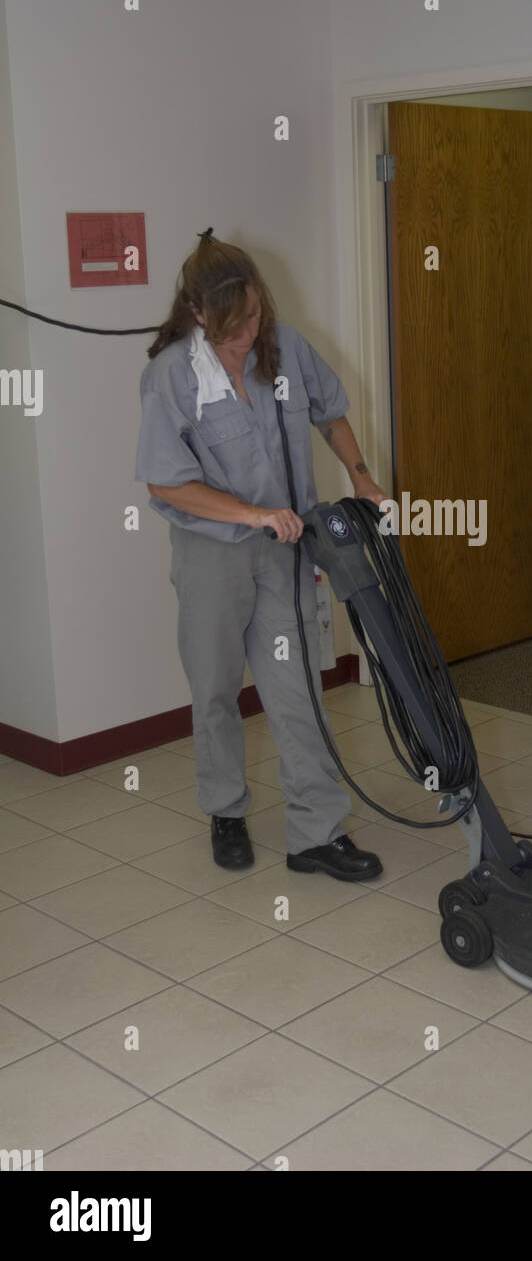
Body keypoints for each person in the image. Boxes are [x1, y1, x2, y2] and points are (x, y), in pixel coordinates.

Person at [135, 229, 389, 880]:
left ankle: (316, 833)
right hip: (212, 557)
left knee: (297, 687)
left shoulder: (286, 346)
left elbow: (329, 412)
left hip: (286, 552)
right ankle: (225, 810)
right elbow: (165, 481)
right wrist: (250, 514)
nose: (246, 335)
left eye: (251, 316)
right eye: (230, 328)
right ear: (197, 315)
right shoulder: (170, 376)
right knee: (216, 691)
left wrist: (360, 474)